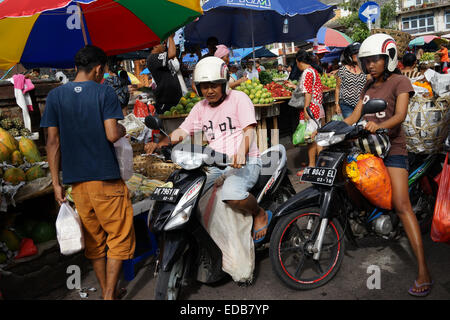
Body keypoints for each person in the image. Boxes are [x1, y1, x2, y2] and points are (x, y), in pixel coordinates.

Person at [41, 45, 135, 300]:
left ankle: (109, 292)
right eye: (102, 70)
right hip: (105, 178)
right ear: (98, 69)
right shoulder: (104, 92)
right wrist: (124, 132)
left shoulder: (55, 96)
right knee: (118, 238)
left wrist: (56, 183)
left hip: (76, 184)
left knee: (95, 243)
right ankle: (108, 296)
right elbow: (111, 134)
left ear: (75, 68)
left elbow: (52, 142)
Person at [144, 56, 272, 243]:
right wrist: (161, 142)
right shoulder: (200, 107)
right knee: (188, 194)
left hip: (244, 161)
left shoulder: (239, 99)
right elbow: (183, 131)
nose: (209, 91)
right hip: (213, 163)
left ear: (223, 83)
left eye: (214, 85)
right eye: (204, 86)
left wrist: (241, 153)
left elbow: (249, 130)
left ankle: (259, 213)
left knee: (231, 194)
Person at [344, 34, 432, 297]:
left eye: (375, 60)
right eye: (366, 60)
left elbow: (400, 116)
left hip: (393, 150)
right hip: (368, 149)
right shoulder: (367, 86)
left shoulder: (400, 81)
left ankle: (424, 271)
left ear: (389, 58)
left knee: (402, 206)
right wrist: (330, 128)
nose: (370, 65)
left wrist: (379, 126)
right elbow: (354, 115)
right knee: (346, 179)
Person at [285, 50, 324, 171]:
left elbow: (308, 93)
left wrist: (306, 110)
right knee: (315, 138)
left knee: (311, 139)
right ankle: (320, 164)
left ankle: (314, 165)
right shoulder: (313, 71)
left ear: (299, 62)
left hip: (311, 108)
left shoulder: (307, 72)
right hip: (316, 108)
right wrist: (294, 87)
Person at [146, 34, 182, 114]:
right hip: (166, 101)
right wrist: (170, 37)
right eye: (162, 43)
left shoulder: (161, 57)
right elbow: (172, 53)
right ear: (155, 46)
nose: (164, 45)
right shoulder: (152, 58)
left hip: (175, 100)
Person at [335, 42, 368, 118]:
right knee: (351, 127)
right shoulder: (343, 70)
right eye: (355, 53)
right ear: (349, 56)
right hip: (346, 105)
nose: (357, 55)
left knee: (361, 126)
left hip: (361, 104)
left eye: (359, 53)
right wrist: (337, 105)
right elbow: (337, 88)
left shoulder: (365, 69)